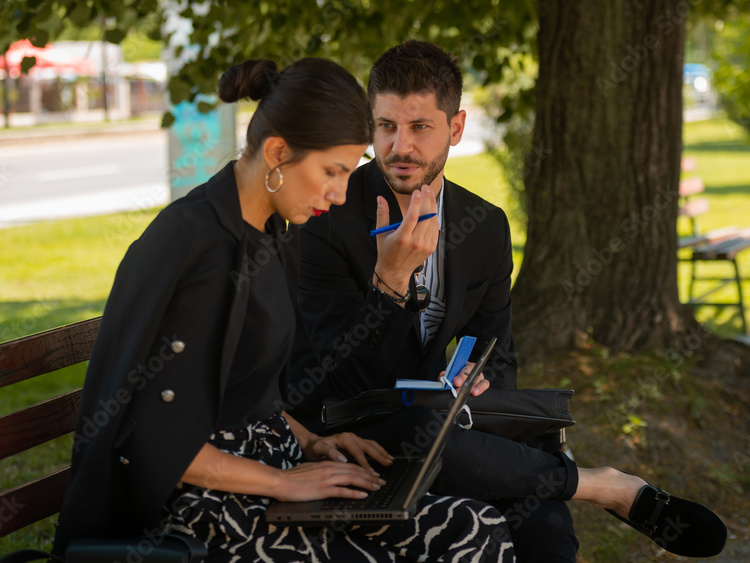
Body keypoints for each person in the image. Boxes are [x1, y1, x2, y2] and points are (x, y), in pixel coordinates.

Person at [53, 57, 515, 562]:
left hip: (278, 472)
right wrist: (281, 481)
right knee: (463, 544)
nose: (341, 192)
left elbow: (247, 399)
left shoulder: (266, 235)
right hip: (204, 513)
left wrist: (315, 443)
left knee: (477, 525)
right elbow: (154, 442)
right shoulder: (194, 243)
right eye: (332, 171)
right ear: (277, 153)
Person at [288, 41, 728, 561]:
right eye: (385, 126)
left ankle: (577, 486)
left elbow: (499, 350)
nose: (399, 147)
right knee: (421, 429)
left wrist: (478, 371)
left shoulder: (484, 226)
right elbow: (342, 376)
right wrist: (392, 277)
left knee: (543, 527)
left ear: (455, 128)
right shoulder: (324, 217)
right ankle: (606, 487)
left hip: (449, 426)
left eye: (420, 127)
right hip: (344, 423)